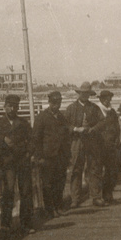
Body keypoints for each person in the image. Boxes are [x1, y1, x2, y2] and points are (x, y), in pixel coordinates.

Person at [0, 93, 34, 232]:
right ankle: (6, 224)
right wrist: (2, 139)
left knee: (26, 192)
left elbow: (32, 140)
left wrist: (29, 154)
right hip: (8, 162)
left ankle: (26, 224)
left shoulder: (23, 123)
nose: (12, 109)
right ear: (5, 107)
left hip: (23, 161)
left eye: (15, 106)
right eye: (9, 106)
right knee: (8, 191)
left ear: (18, 107)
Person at [32, 90, 70, 218]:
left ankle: (58, 206)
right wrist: (39, 156)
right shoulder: (41, 117)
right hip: (47, 156)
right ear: (49, 102)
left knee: (60, 183)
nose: (56, 105)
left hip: (60, 156)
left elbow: (66, 135)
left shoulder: (62, 117)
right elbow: (36, 139)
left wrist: (67, 155)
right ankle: (50, 209)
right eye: (54, 103)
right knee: (47, 184)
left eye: (58, 103)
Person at [65, 82, 103, 207]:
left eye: (87, 94)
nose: (85, 96)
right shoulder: (71, 108)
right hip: (77, 142)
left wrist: (93, 129)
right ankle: (75, 199)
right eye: (83, 93)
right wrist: (76, 129)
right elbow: (65, 125)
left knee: (93, 168)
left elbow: (102, 122)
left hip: (91, 141)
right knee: (76, 168)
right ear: (79, 94)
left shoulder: (94, 108)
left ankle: (96, 196)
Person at [93, 89, 120, 205]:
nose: (107, 101)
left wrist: (117, 140)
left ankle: (108, 194)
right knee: (97, 171)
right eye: (105, 99)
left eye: (109, 98)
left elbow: (117, 127)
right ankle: (97, 197)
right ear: (100, 99)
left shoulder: (112, 112)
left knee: (111, 170)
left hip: (111, 146)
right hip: (99, 146)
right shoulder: (95, 111)